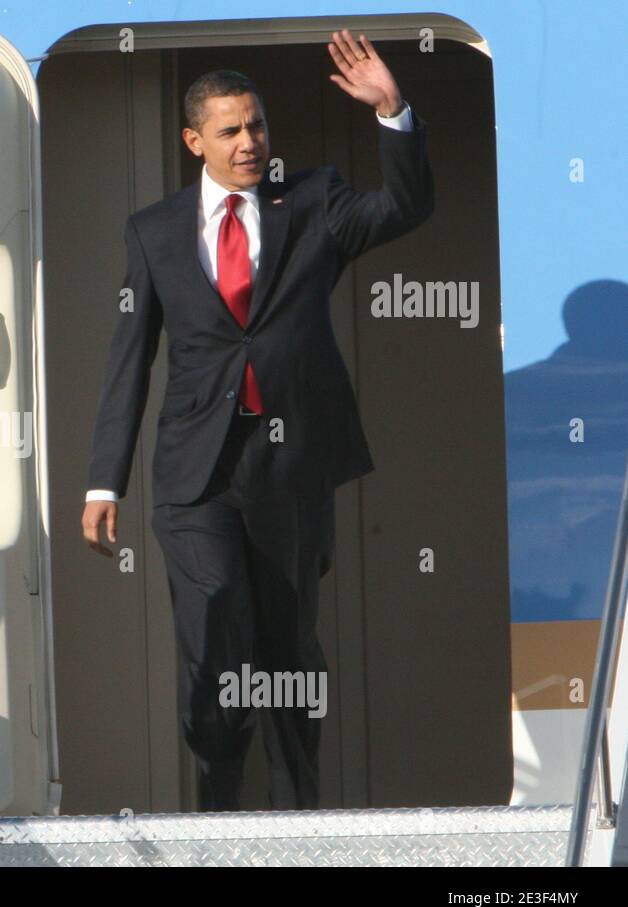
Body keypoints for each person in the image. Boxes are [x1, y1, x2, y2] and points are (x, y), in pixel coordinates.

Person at [80, 30, 434, 810]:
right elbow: (128, 357)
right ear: (193, 140)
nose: (249, 142)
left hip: (290, 469)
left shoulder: (312, 201)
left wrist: (393, 112)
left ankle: (298, 814)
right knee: (213, 621)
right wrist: (103, 482)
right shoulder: (154, 230)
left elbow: (406, 206)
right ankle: (216, 794)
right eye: (232, 130)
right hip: (194, 473)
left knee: (287, 644)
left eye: (258, 126)